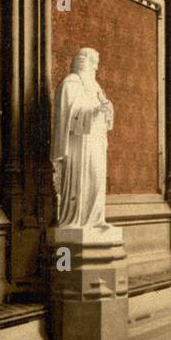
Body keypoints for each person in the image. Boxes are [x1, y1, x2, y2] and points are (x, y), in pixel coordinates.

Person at [51, 48, 115, 230]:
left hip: (95, 140)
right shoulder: (70, 83)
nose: (96, 68)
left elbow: (103, 106)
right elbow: (69, 114)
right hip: (79, 144)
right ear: (84, 62)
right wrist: (93, 112)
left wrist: (107, 109)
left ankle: (95, 219)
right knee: (82, 180)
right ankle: (77, 219)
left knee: (97, 177)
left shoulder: (95, 86)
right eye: (94, 63)